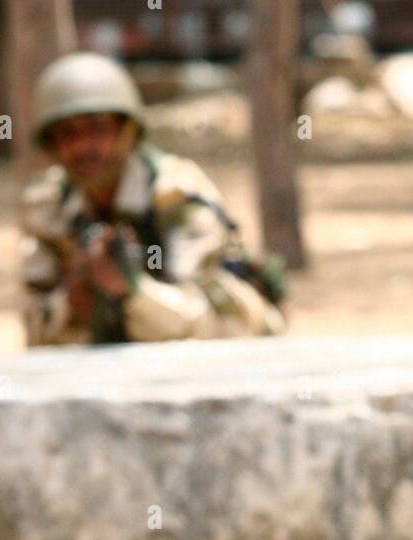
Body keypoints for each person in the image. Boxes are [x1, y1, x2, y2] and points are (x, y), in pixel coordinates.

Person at [20, 51, 286, 347]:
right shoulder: (48, 205)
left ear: (127, 132)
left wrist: (132, 290)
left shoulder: (176, 193)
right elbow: (34, 330)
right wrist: (74, 300)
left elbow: (201, 318)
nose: (82, 146)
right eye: (67, 134)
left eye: (97, 129)